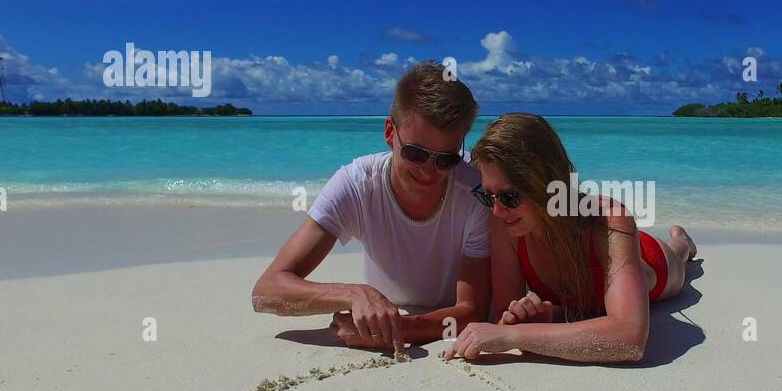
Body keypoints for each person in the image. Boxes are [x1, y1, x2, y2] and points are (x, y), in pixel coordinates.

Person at [251, 61, 490, 356]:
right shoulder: (356, 184)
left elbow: (472, 311)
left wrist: (397, 331)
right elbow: (266, 292)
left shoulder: (475, 193)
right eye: (416, 154)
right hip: (392, 315)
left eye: (446, 159)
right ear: (390, 132)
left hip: (426, 323)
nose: (429, 171)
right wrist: (352, 294)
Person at [443, 112, 695, 364]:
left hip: (652, 262)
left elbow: (629, 339)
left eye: (509, 197)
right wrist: (524, 317)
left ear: (544, 184)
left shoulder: (607, 220)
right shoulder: (503, 223)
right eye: (488, 196)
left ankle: (682, 240)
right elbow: (503, 315)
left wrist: (514, 335)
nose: (496, 210)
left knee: (678, 256)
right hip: (618, 254)